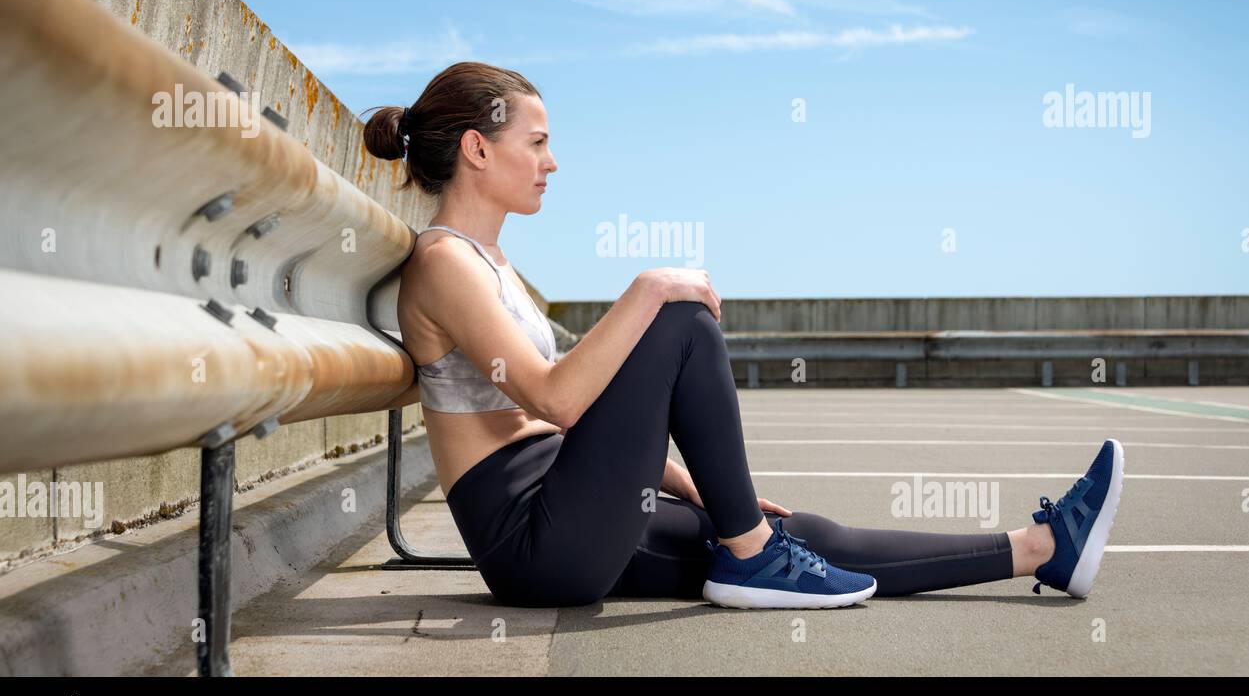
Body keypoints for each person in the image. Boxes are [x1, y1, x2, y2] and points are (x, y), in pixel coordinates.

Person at [363, 61, 1125, 609]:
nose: (551, 162)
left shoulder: (490, 263)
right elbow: (557, 404)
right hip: (535, 545)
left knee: (797, 531)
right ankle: (752, 557)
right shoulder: (443, 262)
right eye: (536, 141)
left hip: (575, 509)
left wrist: (710, 491)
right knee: (680, 320)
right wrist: (649, 287)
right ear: (477, 147)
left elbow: (576, 426)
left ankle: (1040, 550)